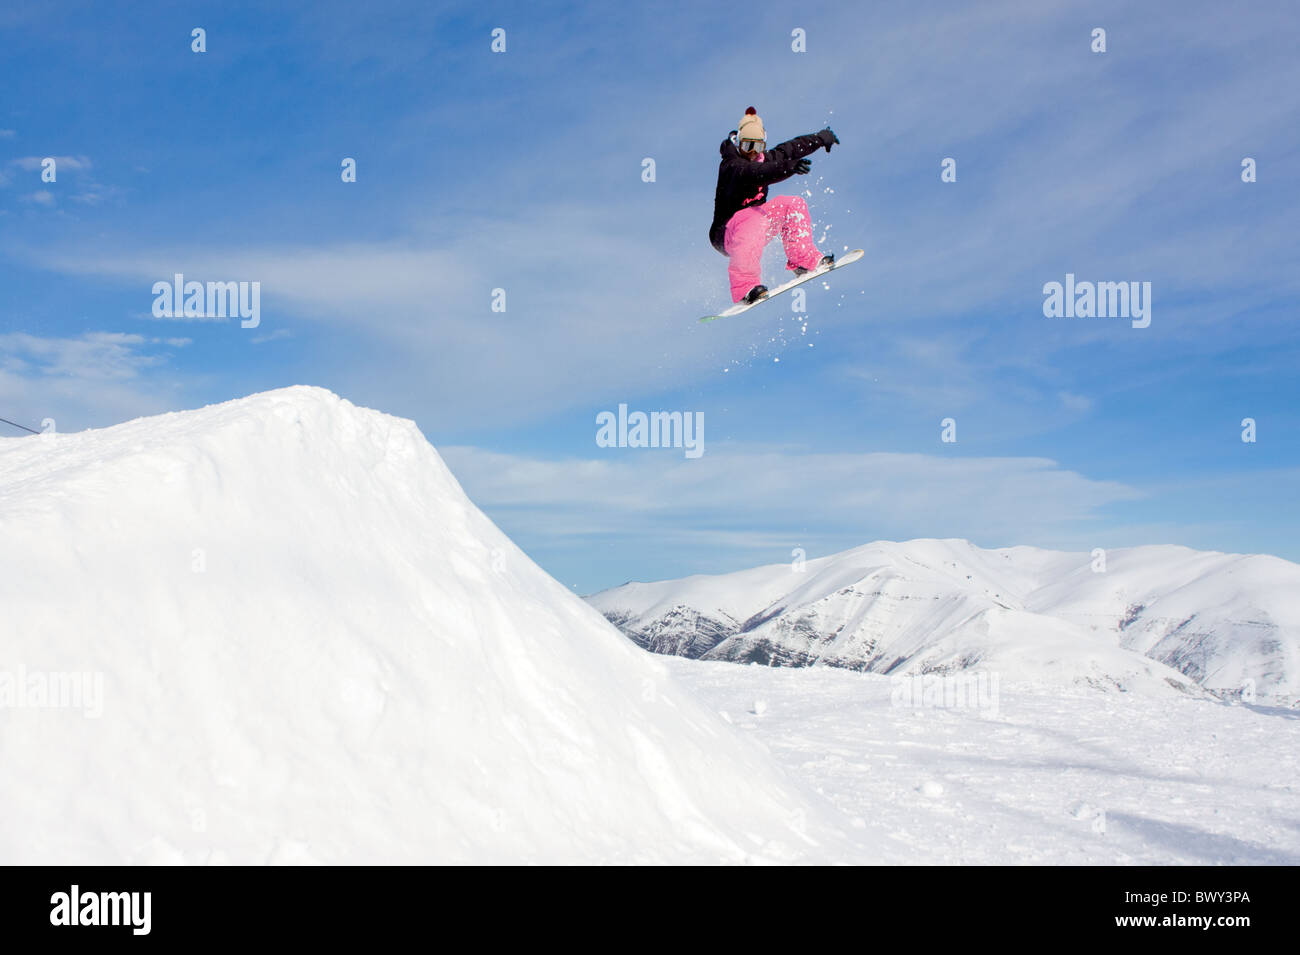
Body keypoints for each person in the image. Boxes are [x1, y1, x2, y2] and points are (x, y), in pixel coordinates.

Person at [709, 107, 840, 304]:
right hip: (726, 233)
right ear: (739, 145)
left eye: (758, 146)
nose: (753, 153)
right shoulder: (732, 165)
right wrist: (788, 167)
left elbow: (792, 148)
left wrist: (821, 138)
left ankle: (802, 259)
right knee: (752, 218)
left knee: (792, 204)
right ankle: (745, 287)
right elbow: (756, 172)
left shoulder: (766, 158)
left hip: (756, 226)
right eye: (747, 146)